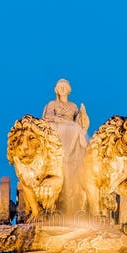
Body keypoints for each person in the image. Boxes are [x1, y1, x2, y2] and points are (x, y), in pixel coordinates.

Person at [42, 79, 89, 216]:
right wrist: (61, 120)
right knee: (72, 128)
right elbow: (48, 117)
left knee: (76, 129)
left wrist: (83, 115)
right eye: (60, 87)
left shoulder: (73, 106)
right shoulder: (52, 104)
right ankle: (61, 155)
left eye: (65, 87)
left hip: (71, 128)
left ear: (69, 90)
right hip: (56, 126)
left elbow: (79, 122)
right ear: (56, 90)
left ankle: (72, 154)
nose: (62, 89)